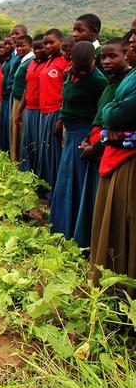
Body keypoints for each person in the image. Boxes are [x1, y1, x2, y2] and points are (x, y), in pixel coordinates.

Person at [74, 38, 132, 248]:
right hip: (97, 140)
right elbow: (102, 114)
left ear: (126, 54)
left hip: (107, 148)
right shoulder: (112, 80)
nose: (106, 61)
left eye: (112, 56)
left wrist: (97, 145)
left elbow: (115, 121)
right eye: (103, 57)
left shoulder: (123, 82)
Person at [49, 41, 107, 242]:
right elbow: (67, 100)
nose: (82, 73)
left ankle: (77, 234)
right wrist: (62, 120)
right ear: (71, 61)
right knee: (66, 181)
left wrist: (90, 138)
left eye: (87, 68)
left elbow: (100, 114)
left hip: (84, 136)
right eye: (78, 67)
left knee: (79, 184)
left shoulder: (98, 81)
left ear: (94, 61)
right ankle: (62, 227)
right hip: (70, 132)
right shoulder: (70, 75)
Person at [88, 38, 136, 279]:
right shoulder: (130, 77)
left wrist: (112, 118)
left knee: (123, 220)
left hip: (126, 158)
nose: (132, 41)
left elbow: (115, 114)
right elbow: (109, 111)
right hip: (115, 150)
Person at [36, 29, 68, 193]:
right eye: (45, 43)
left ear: (61, 41)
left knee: (54, 153)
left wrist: (61, 118)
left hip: (56, 112)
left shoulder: (65, 63)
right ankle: (45, 186)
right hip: (44, 112)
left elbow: (67, 92)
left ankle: (54, 192)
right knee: (45, 151)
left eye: (51, 42)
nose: (47, 46)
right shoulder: (48, 61)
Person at [15, 38, 48, 173]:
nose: (38, 51)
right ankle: (26, 174)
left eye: (41, 47)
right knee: (27, 144)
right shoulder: (32, 63)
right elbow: (27, 87)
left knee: (39, 145)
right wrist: (19, 109)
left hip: (41, 111)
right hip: (29, 109)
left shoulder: (47, 65)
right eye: (35, 48)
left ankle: (39, 176)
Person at [8, 34, 35, 162]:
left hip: (22, 102)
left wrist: (20, 106)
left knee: (19, 130)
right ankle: (16, 160)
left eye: (22, 46)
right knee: (15, 130)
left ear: (30, 46)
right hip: (17, 99)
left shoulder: (30, 61)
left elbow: (28, 85)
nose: (19, 48)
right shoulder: (23, 59)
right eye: (17, 46)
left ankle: (19, 161)